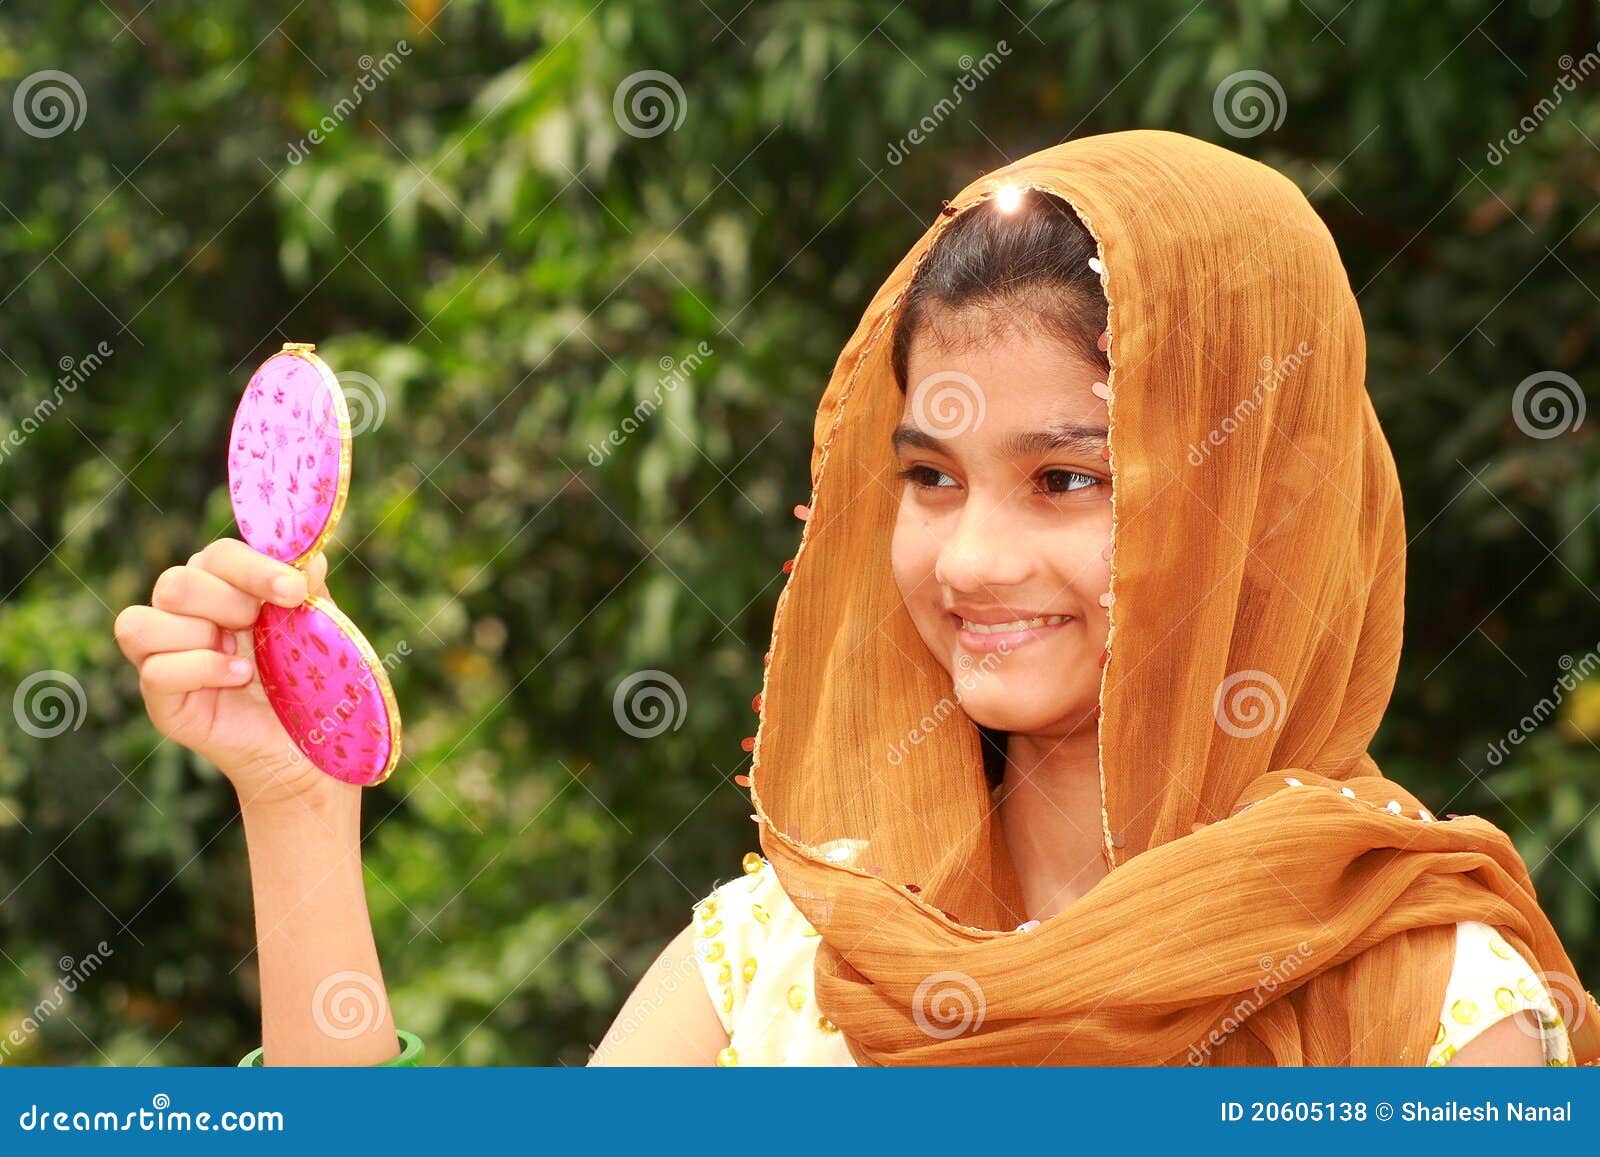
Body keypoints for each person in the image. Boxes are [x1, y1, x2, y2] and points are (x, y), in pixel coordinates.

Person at [115, 129, 1600, 1067]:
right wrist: (294, 808)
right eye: (931, 477)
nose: (971, 560)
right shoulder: (789, 957)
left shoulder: (1426, 1005)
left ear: (1257, 510)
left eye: (1066, 479)